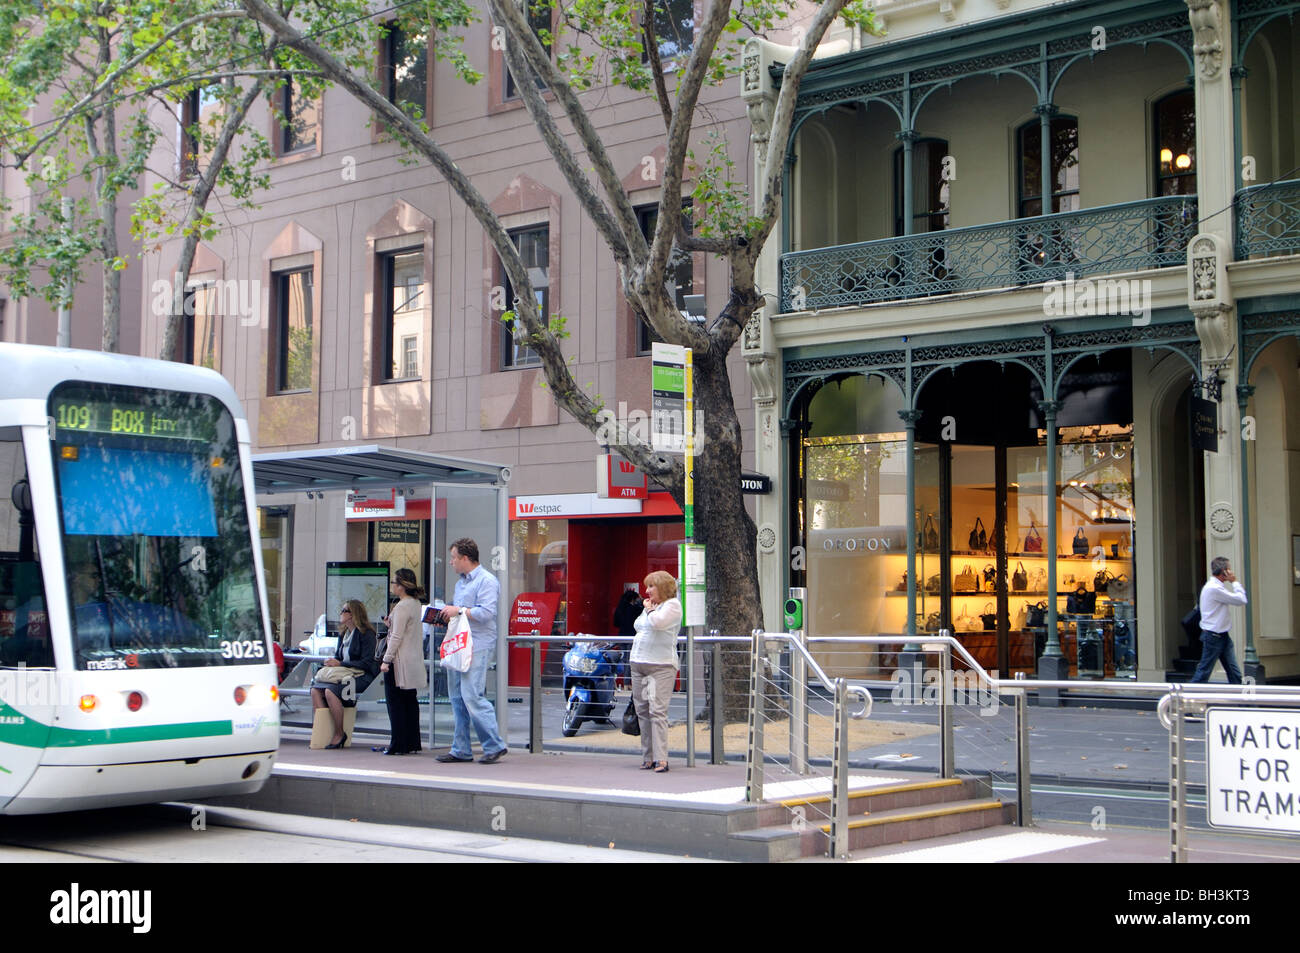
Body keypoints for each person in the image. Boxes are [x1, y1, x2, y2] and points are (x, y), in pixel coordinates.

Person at [436, 538, 507, 764]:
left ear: (465, 558)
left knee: (471, 695)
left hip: (477, 644)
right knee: (457, 697)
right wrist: (448, 616)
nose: (451, 563)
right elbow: (463, 614)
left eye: (454, 558)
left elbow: (486, 613)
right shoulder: (461, 583)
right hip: (459, 643)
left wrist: (458, 610)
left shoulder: (487, 581)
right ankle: (461, 749)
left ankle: (494, 745)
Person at [630, 570, 682, 773]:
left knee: (657, 711)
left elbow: (658, 624)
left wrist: (650, 611)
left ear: (663, 587)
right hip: (638, 662)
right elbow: (640, 625)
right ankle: (648, 756)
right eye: (647, 586)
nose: (647, 590)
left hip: (661, 665)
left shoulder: (672, 605)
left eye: (651, 586)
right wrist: (649, 610)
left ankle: (662, 759)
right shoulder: (650, 606)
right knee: (642, 710)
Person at [310, 599, 378, 749]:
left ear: (353, 614)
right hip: (345, 675)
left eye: (344, 610)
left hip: (362, 676)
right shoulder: (344, 634)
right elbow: (340, 657)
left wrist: (340, 664)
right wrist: (334, 662)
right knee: (315, 690)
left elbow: (366, 663)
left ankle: (339, 733)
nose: (340, 613)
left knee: (330, 691)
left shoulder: (367, 634)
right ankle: (324, 730)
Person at [374, 568, 427, 755]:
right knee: (409, 702)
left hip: (399, 661)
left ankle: (397, 743)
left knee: (395, 703)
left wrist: (386, 660)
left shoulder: (402, 606)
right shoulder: (415, 603)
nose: (392, 586)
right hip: (412, 659)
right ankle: (412, 742)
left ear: (402, 585)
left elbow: (396, 637)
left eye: (394, 582)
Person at [1190, 556, 1248, 684]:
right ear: (1224, 572)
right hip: (1214, 636)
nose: (1231, 572)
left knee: (1234, 673)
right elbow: (1241, 600)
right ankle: (1184, 697)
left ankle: (1244, 702)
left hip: (1221, 635)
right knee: (1203, 673)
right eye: (1229, 569)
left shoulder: (1214, 587)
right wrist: (1235, 582)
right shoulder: (1214, 589)